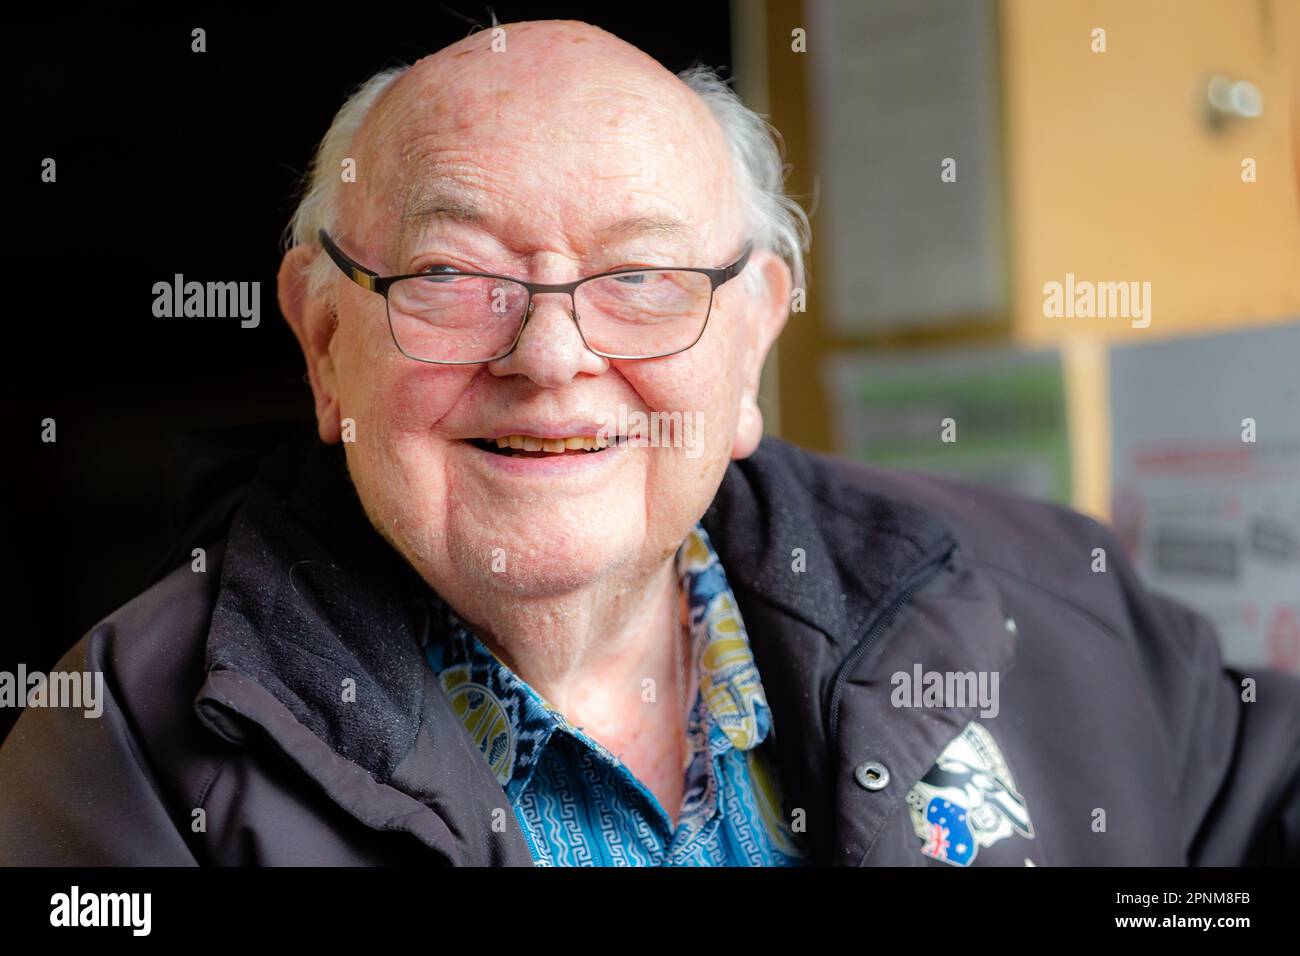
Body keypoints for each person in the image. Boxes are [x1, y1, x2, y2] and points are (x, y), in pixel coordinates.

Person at [1, 19, 1296, 866]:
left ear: (754, 343)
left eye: (641, 278)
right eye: (455, 275)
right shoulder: (122, 752)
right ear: (325, 340)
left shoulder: (1032, 606)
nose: (551, 359)